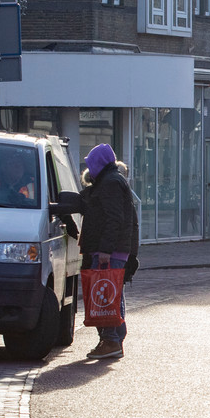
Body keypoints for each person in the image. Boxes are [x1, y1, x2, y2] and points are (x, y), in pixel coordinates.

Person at [79, 143, 138, 360]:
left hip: (109, 252)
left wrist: (104, 249)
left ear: (98, 163)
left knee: (105, 295)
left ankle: (111, 339)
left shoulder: (111, 183)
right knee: (112, 293)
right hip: (114, 250)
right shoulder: (110, 181)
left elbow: (114, 218)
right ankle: (114, 339)